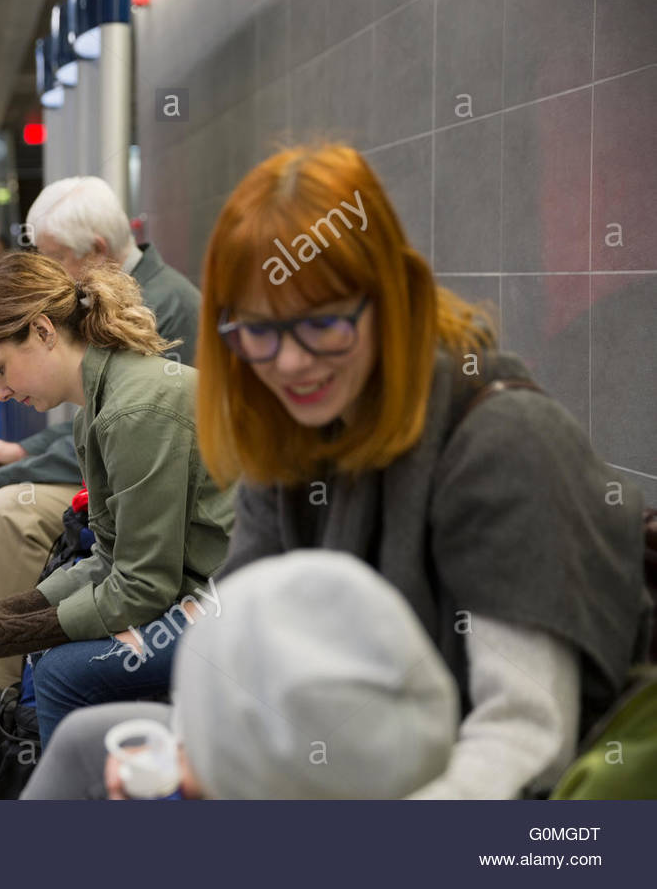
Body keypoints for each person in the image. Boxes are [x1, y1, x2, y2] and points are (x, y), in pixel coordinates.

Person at [192, 143, 645, 797]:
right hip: (355, 772)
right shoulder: (293, 434)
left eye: (322, 322)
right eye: (259, 331)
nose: (289, 363)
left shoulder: (503, 444)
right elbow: (230, 649)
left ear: (392, 298)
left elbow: (523, 741)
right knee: (98, 743)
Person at [0, 252, 234, 749]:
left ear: (43, 332)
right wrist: (6, 611)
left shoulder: (132, 409)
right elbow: (107, 556)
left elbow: (143, 586)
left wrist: (12, 633)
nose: (0, 393)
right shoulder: (99, 405)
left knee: (61, 671)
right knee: (52, 662)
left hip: (228, 604)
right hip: (199, 592)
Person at [23, 551, 461, 799]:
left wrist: (199, 770)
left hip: (328, 737)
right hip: (295, 714)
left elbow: (144, 578)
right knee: (85, 734)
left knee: (62, 674)